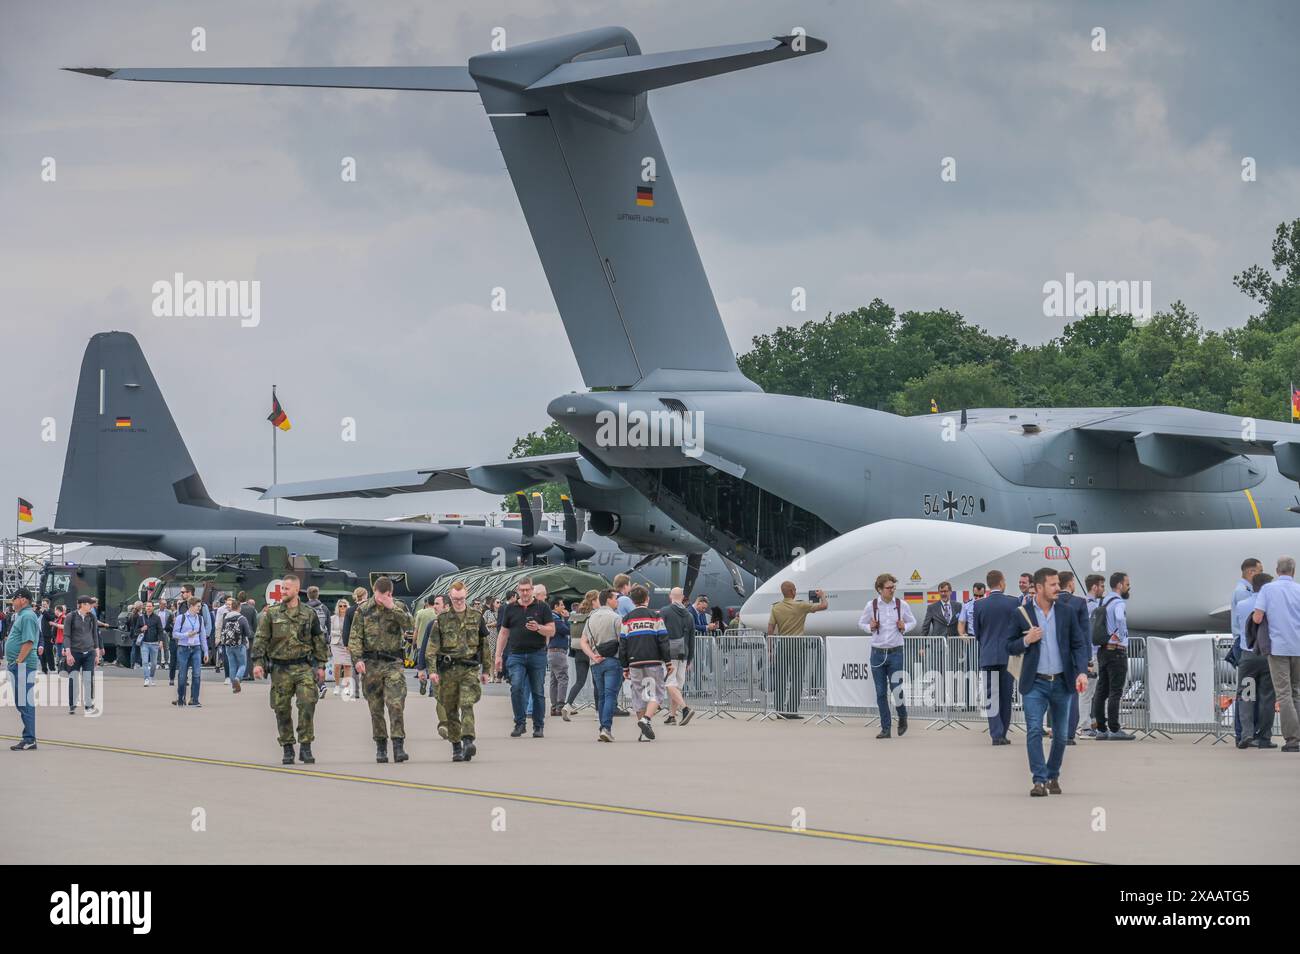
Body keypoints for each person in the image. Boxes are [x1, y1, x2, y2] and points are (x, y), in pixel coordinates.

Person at [1007, 567, 1089, 797]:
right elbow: (1009, 645)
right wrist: (1026, 640)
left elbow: (1078, 644)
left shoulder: (1066, 612)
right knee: (1034, 730)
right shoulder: (1021, 613)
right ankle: (1039, 780)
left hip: (1062, 682)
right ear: (1040, 587)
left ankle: (1053, 775)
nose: (1058, 588)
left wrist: (1081, 671)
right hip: (1035, 683)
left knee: (1061, 736)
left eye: (1058, 584)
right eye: (1053, 585)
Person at [252, 573, 328, 764]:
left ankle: (305, 746)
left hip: (303, 666)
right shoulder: (272, 613)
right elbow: (261, 638)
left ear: (296, 589)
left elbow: (319, 639)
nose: (283, 592)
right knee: (281, 709)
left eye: (286, 588)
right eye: (282, 588)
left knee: (307, 703)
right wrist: (258, 663)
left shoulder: (308, 614)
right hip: (280, 668)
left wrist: (321, 666)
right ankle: (287, 747)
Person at [418, 581, 491, 762]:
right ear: (450, 598)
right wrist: (432, 671)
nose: (459, 602)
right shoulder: (441, 620)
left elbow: (484, 645)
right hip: (448, 671)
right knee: (451, 710)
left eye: (462, 599)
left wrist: (486, 669)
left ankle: (468, 741)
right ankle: (456, 746)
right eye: (456, 599)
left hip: (469, 669)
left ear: (466, 597)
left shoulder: (477, 617)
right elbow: (431, 648)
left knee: (467, 704)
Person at [349, 576, 414, 764]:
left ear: (390, 593)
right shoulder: (363, 610)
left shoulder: (398, 607)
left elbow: (410, 625)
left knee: (396, 704)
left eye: (384, 596)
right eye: (378, 596)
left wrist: (392, 607)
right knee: (375, 708)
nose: (380, 599)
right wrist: (357, 659)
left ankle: (398, 745)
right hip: (371, 664)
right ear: (374, 592)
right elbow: (355, 638)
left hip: (393, 662)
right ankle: (380, 746)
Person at [858, 573, 916, 739]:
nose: (892, 590)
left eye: (893, 587)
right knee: (881, 692)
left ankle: (902, 716)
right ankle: (886, 727)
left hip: (895, 652)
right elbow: (860, 623)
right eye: (889, 587)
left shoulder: (901, 604)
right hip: (877, 652)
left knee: (896, 688)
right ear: (880, 589)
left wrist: (905, 626)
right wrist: (869, 626)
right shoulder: (871, 605)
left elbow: (913, 622)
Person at [495, 578, 554, 738]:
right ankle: (520, 723)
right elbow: (504, 632)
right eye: (522, 590)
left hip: (537, 654)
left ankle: (538, 725)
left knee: (538, 691)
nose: (525, 593)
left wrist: (539, 628)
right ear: (518, 590)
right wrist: (498, 655)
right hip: (516, 654)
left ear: (532, 590)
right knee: (516, 688)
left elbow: (551, 630)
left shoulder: (543, 607)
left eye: (528, 589)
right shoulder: (510, 608)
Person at [1252, 556, 1300, 752]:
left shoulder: (1268, 589)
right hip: (1298, 647)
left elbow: (1257, 617)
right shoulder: (1299, 589)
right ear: (1293, 571)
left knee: (1284, 694)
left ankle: (1292, 739)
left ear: (1277, 570)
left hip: (1278, 647)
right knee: (1297, 691)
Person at [766, 581, 828, 719]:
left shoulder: (776, 608)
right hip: (798, 644)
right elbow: (824, 606)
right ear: (793, 591)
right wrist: (822, 595)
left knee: (781, 678)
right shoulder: (800, 605)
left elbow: (770, 629)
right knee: (797, 678)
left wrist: (770, 649)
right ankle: (792, 710)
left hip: (782, 644)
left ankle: (780, 710)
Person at [972, 571, 1018, 745]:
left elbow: (977, 631)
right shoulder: (1013, 602)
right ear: (1001, 582)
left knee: (991, 696)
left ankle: (996, 734)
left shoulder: (979, 605)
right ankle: (1003, 733)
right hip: (1009, 655)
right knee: (1006, 696)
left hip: (988, 654)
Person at [620, 585, 671, 741]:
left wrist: (625, 665)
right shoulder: (655, 616)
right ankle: (646, 719)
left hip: (634, 662)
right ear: (647, 599)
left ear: (632, 600)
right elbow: (663, 639)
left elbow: (623, 644)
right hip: (653, 660)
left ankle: (643, 732)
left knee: (638, 694)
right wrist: (668, 661)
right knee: (657, 692)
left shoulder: (626, 619)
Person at [1238, 572, 1277, 749]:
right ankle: (1264, 737)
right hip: (1267, 656)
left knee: (1246, 695)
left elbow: (1236, 629)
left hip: (1247, 656)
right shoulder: (1272, 605)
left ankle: (1246, 733)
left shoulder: (1241, 605)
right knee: (1267, 697)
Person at [1094, 572, 1135, 740]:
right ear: (1119, 585)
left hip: (1103, 650)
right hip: (1116, 650)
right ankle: (1114, 728)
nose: (1128, 587)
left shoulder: (1103, 601)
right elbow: (1119, 618)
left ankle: (1101, 729)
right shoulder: (1118, 602)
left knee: (1101, 690)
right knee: (1115, 691)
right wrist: (1121, 634)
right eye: (1126, 584)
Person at [1053, 572, 1091, 745]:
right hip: (1074, 657)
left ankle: (1056, 731)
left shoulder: (1050, 602)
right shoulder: (1079, 603)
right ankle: (1068, 734)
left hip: (1053, 656)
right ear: (1070, 583)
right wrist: (1087, 659)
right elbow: (1084, 634)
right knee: (1072, 696)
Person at [582, 589, 623, 742]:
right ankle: (606, 728)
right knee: (611, 695)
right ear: (608, 600)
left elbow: (583, 641)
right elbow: (622, 641)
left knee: (601, 696)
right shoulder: (616, 618)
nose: (617, 601)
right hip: (613, 660)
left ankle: (602, 727)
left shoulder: (590, 618)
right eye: (615, 598)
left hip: (595, 661)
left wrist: (592, 655)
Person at [1231, 558, 1264, 742]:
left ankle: (1244, 733)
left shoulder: (1243, 591)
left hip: (1245, 644)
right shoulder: (1244, 594)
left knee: (1247, 691)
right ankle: (1242, 732)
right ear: (1251, 572)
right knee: (1246, 692)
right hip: (1247, 644)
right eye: (1259, 571)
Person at [6, 588, 40, 750]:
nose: (12, 602)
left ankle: (29, 739)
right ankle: (29, 737)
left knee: (25, 701)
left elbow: (28, 641)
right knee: (22, 702)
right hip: (19, 664)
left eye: (14, 599)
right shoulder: (22, 615)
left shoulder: (27, 616)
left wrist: (18, 660)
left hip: (23, 665)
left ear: (23, 600)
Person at [660, 587, 696, 725]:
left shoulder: (665, 611)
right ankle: (672, 716)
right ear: (682, 597)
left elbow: (660, 633)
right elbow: (692, 638)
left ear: (670, 596)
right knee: (677, 686)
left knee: (669, 683)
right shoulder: (689, 615)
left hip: (669, 654)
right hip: (684, 654)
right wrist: (690, 658)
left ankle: (685, 708)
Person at [63, 595, 103, 714]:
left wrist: (97, 654)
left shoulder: (92, 617)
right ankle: (72, 704)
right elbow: (67, 635)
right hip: (75, 652)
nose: (91, 606)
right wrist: (68, 653)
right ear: (82, 604)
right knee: (73, 679)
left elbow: (95, 635)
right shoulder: (71, 616)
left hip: (89, 652)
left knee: (88, 679)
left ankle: (88, 704)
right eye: (89, 604)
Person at [563, 590, 598, 716]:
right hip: (591, 651)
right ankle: (598, 712)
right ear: (594, 600)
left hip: (578, 652)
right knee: (596, 683)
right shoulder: (593, 615)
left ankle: (567, 705)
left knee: (579, 681)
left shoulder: (576, 615)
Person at [172, 597, 207, 707]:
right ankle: (181, 697)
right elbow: (174, 634)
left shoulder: (200, 619)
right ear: (191, 606)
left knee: (197, 674)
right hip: (183, 648)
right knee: (182, 675)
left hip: (196, 648)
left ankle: (194, 699)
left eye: (200, 607)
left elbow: (202, 636)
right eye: (198, 606)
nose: (199, 609)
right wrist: (187, 634)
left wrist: (205, 651)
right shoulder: (180, 618)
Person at [217, 596, 253, 693]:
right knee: (242, 664)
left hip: (228, 645)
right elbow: (248, 633)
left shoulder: (226, 618)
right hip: (240, 645)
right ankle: (237, 679)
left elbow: (223, 630)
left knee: (232, 665)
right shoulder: (242, 618)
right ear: (239, 608)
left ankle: (234, 685)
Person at [411, 595, 443, 697]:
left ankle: (423, 679)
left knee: (427, 666)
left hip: (422, 643)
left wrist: (414, 642)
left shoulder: (420, 613)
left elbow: (416, 630)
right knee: (434, 668)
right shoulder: (436, 615)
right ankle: (432, 689)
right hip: (436, 648)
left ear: (426, 603)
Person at [547, 596, 571, 719]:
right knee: (563, 678)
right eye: (562, 605)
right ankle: (560, 705)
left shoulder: (552, 618)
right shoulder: (556, 619)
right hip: (558, 652)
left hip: (551, 651)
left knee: (554, 680)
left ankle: (554, 706)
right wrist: (566, 618)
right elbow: (567, 630)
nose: (564, 607)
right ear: (556, 607)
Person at [342, 586, 368, 699]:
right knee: (367, 666)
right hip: (368, 642)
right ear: (365, 595)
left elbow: (346, 629)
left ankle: (356, 692)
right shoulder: (369, 608)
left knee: (355, 667)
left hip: (354, 642)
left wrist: (346, 644)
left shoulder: (350, 610)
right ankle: (367, 692)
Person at [136, 600, 165, 686]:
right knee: (145, 662)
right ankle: (146, 678)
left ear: (153, 607)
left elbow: (160, 631)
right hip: (144, 643)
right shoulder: (141, 618)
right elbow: (135, 630)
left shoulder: (157, 618)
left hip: (154, 643)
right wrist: (141, 629)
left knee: (154, 663)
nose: (148, 608)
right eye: (147, 606)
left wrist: (161, 641)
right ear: (145, 608)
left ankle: (151, 676)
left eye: (150, 606)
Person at [330, 599, 352, 696]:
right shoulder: (333, 618)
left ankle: (347, 688)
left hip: (347, 645)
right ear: (337, 607)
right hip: (336, 644)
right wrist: (340, 633)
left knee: (347, 666)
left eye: (344, 606)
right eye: (340, 606)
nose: (342, 608)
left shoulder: (351, 618)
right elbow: (330, 631)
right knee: (337, 665)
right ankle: (337, 686)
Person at [37, 598, 55, 674]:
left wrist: (44, 611)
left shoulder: (51, 611)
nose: (43, 606)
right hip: (40, 635)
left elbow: (51, 618)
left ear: (48, 604)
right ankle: (44, 669)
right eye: (42, 604)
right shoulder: (40, 612)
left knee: (49, 653)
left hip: (48, 635)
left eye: (44, 604)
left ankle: (52, 668)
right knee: (41, 653)